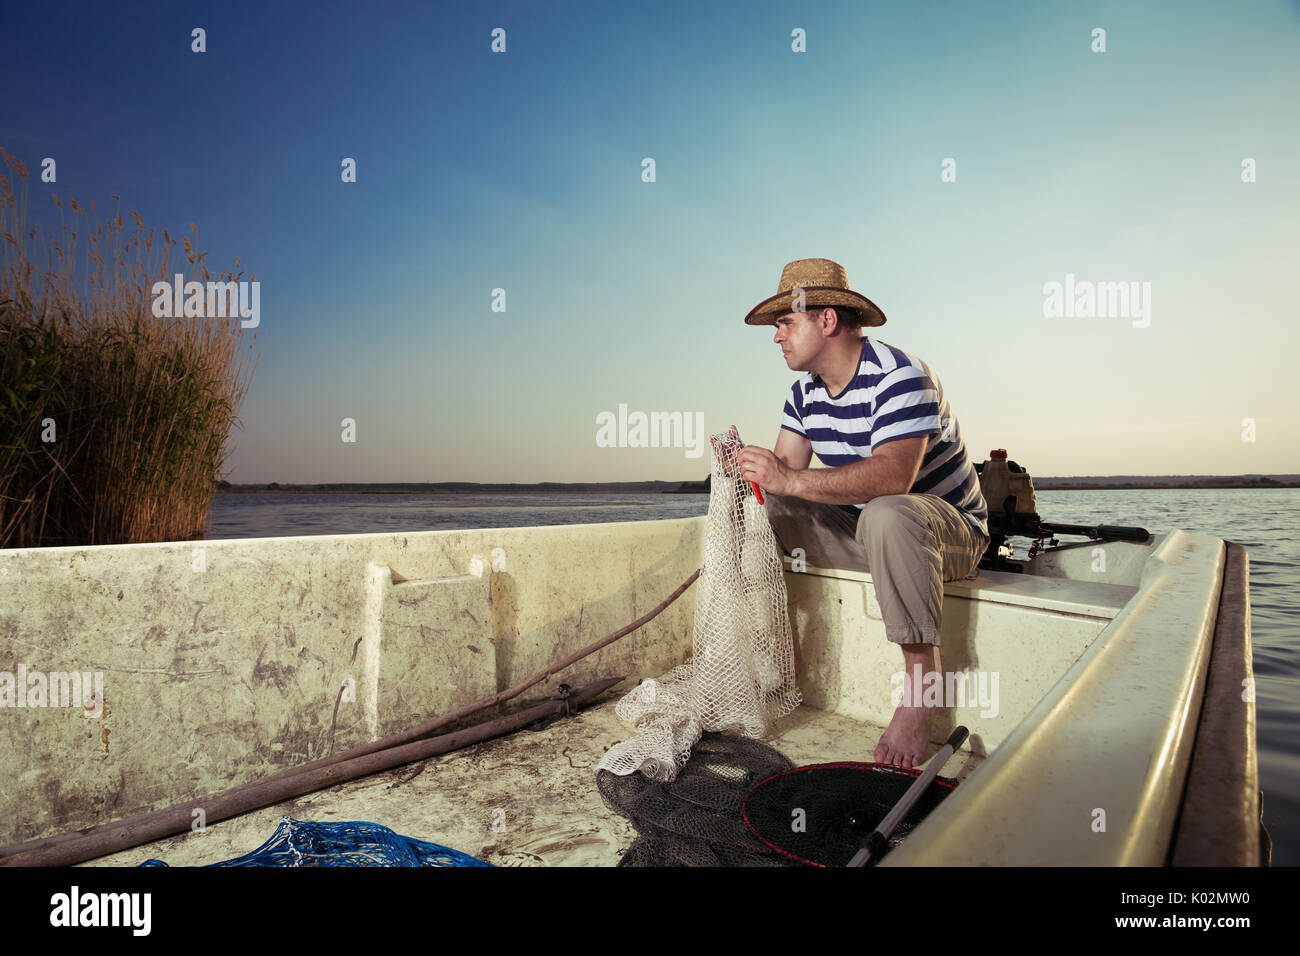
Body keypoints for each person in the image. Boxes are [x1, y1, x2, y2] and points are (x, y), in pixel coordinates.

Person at [718, 257, 989, 769]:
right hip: (868, 528)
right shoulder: (802, 393)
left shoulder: (900, 376)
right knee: (757, 503)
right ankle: (777, 649)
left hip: (944, 534)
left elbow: (893, 479)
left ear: (827, 321)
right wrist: (746, 471)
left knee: (887, 512)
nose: (776, 337)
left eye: (786, 323)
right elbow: (785, 479)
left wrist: (788, 477)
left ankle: (920, 690)